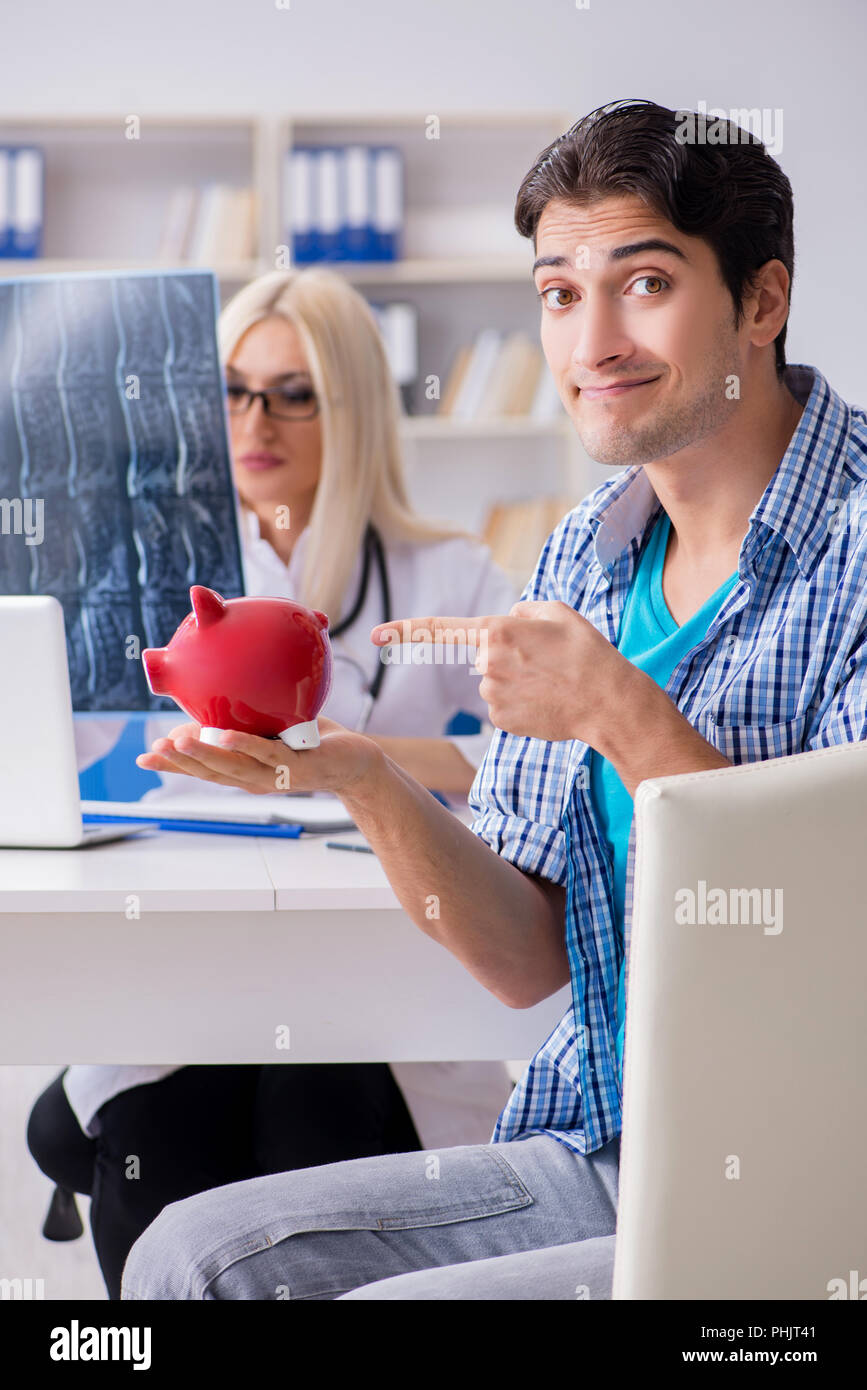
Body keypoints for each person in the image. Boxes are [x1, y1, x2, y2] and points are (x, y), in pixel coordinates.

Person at [119, 98, 866, 1301]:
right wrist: (364, 775)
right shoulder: (586, 551)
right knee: (185, 1262)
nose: (593, 342)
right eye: (561, 294)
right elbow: (524, 955)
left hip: (808, 1178)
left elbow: (829, 942)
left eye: (645, 283)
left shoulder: (857, 547)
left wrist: (621, 710)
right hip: (602, 1143)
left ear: (763, 301)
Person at [26, 267, 517, 1301]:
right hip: (198, 934)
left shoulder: (452, 577)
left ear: (352, 407)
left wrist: (356, 761)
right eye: (236, 389)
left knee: (315, 1115)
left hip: (373, 955)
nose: (258, 420)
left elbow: (532, 760)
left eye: (295, 392)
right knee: (158, 1135)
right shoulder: (158, 569)